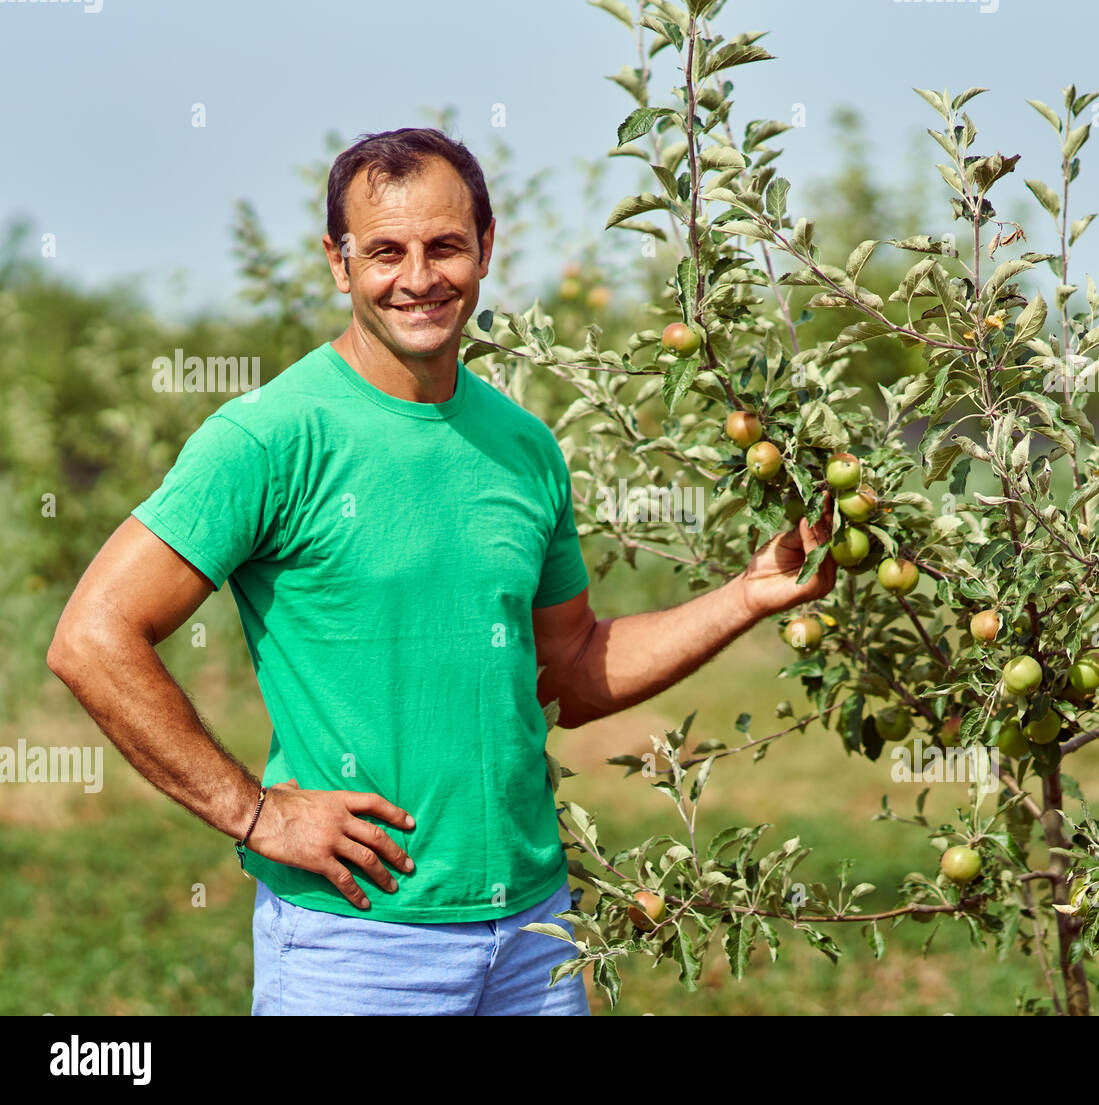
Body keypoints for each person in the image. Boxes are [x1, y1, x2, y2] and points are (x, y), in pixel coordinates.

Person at [46, 127, 836, 1016]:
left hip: (536, 941)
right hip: (358, 946)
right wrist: (256, 813)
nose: (419, 276)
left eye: (445, 246)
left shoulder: (524, 446)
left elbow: (568, 669)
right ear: (338, 265)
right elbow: (92, 636)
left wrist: (749, 594)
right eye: (385, 250)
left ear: (486, 249)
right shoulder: (267, 439)